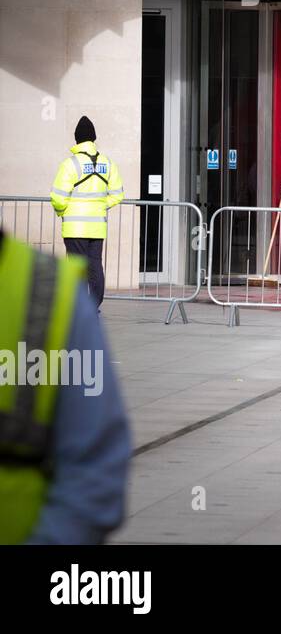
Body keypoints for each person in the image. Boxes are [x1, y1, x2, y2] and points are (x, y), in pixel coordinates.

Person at [0, 230, 132, 544]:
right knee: (93, 266)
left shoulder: (51, 293)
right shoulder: (52, 290)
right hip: (95, 225)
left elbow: (94, 475)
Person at [49, 116, 124, 313]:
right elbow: (118, 195)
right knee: (95, 266)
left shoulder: (70, 164)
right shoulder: (108, 163)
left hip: (75, 226)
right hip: (97, 226)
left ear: (77, 139)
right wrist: (100, 206)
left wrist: (62, 210)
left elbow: (58, 197)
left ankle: (79, 307)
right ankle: (93, 305)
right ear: (93, 138)